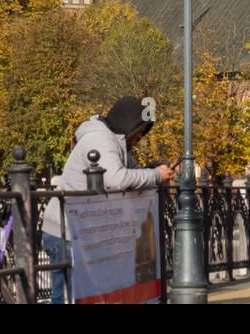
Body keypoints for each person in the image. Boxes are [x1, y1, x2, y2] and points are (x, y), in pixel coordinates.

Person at [40, 96, 175, 303]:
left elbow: (133, 175)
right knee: (68, 296)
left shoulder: (119, 144)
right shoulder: (100, 140)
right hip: (65, 230)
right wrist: (156, 175)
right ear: (129, 123)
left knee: (87, 293)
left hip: (82, 230)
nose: (139, 138)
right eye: (139, 133)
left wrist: (151, 173)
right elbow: (117, 179)